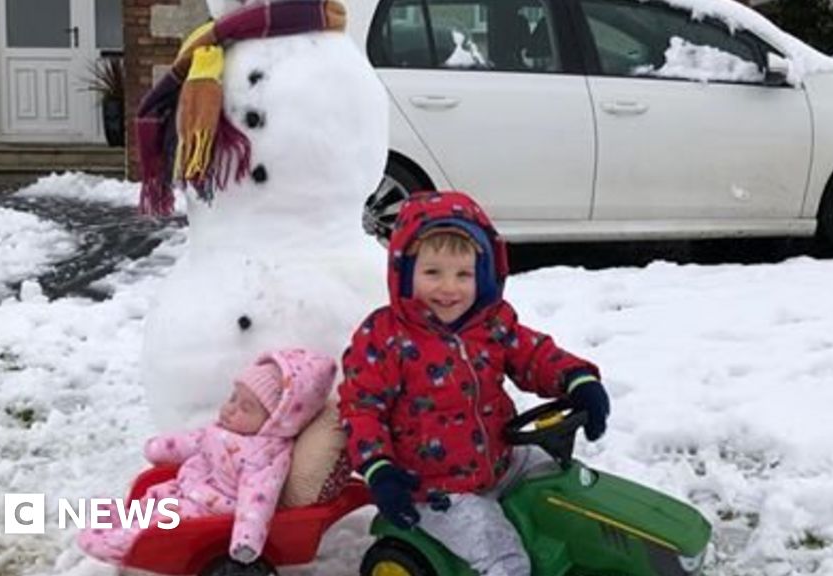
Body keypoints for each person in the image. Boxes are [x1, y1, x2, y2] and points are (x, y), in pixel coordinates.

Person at [338, 191, 610, 576]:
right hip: (433, 488)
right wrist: (379, 469)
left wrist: (578, 379)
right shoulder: (385, 337)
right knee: (507, 561)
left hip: (502, 458)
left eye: (463, 274)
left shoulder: (492, 323)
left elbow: (533, 355)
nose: (449, 289)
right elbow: (361, 406)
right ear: (405, 272)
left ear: (481, 275)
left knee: (564, 487)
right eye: (433, 273)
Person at [78, 348, 336, 573]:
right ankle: (126, 529)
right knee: (148, 504)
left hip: (211, 511)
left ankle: (131, 543)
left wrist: (246, 541)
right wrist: (161, 449)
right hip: (186, 491)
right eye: (233, 398)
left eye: (246, 408)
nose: (231, 408)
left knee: (160, 525)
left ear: (274, 421)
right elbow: (196, 441)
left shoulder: (264, 457)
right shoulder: (227, 431)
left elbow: (257, 500)